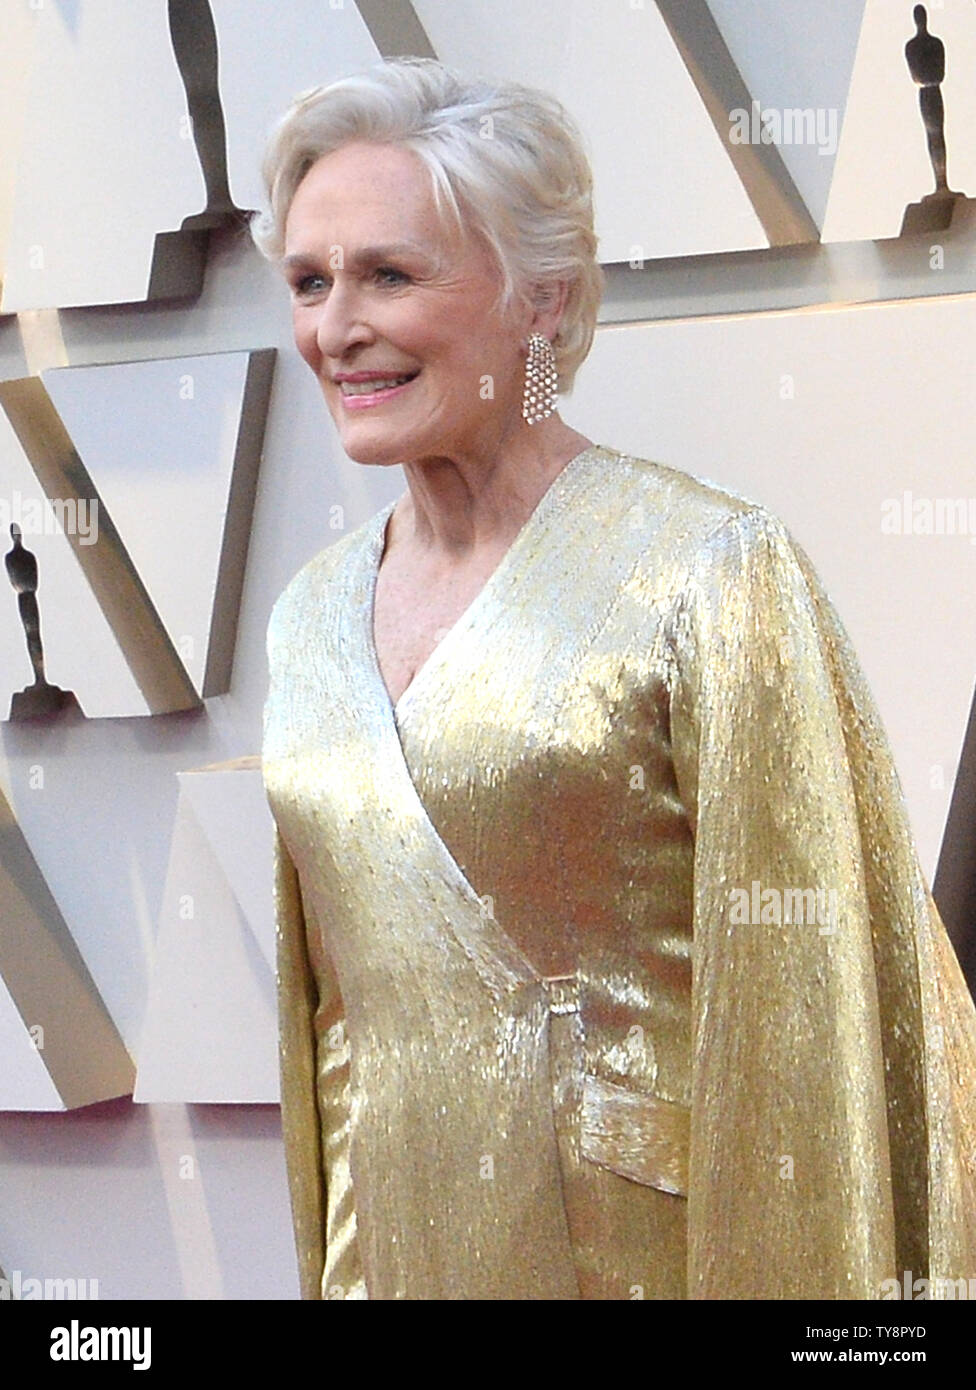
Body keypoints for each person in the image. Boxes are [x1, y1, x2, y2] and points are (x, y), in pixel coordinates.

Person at [252, 57, 976, 1300]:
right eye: (311, 282)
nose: (334, 328)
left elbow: (800, 1015)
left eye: (389, 274)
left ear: (541, 299)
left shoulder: (706, 569)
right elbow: (333, 1031)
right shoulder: (308, 617)